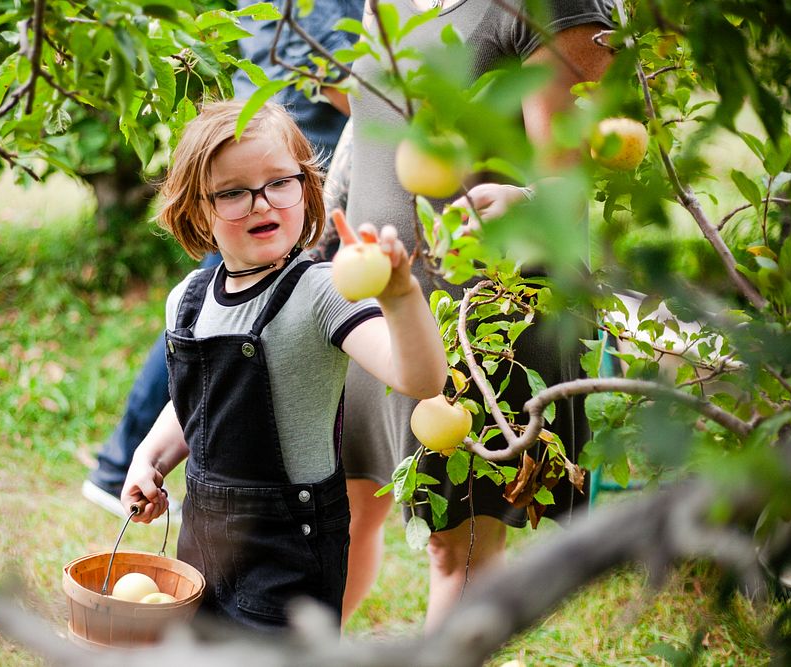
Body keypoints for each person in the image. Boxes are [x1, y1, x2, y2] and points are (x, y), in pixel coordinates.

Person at [337, 0, 616, 630]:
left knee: (456, 544)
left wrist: (525, 200)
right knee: (348, 505)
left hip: (483, 309)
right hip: (370, 307)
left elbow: (573, 171)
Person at [119, 100, 447, 630]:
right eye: (232, 192)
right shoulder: (188, 299)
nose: (260, 203)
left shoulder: (323, 292)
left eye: (280, 182)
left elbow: (423, 379)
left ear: (307, 186)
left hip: (289, 548)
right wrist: (150, 458)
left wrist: (402, 295)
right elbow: (199, 405)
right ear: (197, 210)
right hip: (204, 537)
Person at [82, 0, 362, 516]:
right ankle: (124, 461)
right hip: (271, 155)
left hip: (268, 170)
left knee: (229, 325)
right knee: (211, 324)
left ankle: (123, 462)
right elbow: (336, 78)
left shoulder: (324, 291)